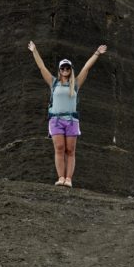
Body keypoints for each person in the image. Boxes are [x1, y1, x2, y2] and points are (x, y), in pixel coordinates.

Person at [28, 40, 107, 187]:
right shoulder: (53, 83)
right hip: (56, 120)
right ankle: (61, 177)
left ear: (70, 70)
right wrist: (34, 51)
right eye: (63, 68)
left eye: (67, 68)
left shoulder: (75, 84)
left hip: (71, 120)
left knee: (70, 150)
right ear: (59, 70)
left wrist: (97, 53)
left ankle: (69, 179)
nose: (65, 70)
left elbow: (86, 68)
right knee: (59, 148)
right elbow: (41, 67)